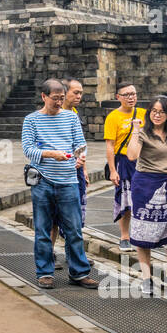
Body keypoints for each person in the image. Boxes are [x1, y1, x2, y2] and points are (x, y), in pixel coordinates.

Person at [22, 79, 99, 290]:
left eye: (61, 99)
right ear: (44, 97)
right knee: (43, 230)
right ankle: (45, 272)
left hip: (68, 181)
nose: (58, 103)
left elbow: (80, 145)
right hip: (43, 181)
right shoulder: (31, 121)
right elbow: (28, 150)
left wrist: (81, 158)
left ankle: (79, 272)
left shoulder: (70, 118)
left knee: (74, 229)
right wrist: (50, 154)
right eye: (55, 99)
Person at [124, 95, 167, 294]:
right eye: (154, 111)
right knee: (143, 232)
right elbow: (132, 155)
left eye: (161, 111)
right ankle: (146, 278)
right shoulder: (143, 133)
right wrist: (136, 129)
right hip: (145, 185)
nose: (157, 115)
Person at [104, 81, 145, 252]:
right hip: (124, 163)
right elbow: (110, 146)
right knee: (125, 200)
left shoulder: (144, 113)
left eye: (133, 94)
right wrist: (113, 170)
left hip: (143, 162)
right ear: (118, 97)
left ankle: (144, 234)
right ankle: (125, 236)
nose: (131, 97)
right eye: (127, 94)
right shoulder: (113, 117)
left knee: (145, 199)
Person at [61, 78, 90, 222]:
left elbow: (80, 145)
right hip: (60, 169)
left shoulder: (75, 113)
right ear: (64, 93)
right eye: (76, 93)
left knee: (76, 215)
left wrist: (84, 169)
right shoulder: (56, 114)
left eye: (81, 93)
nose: (79, 96)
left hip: (76, 168)